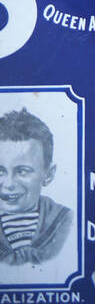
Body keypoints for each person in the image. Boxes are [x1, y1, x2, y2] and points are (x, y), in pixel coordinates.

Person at [0, 107, 73, 266]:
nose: (8, 184)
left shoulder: (65, 222)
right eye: (0, 171)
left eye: (22, 171)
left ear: (48, 174)